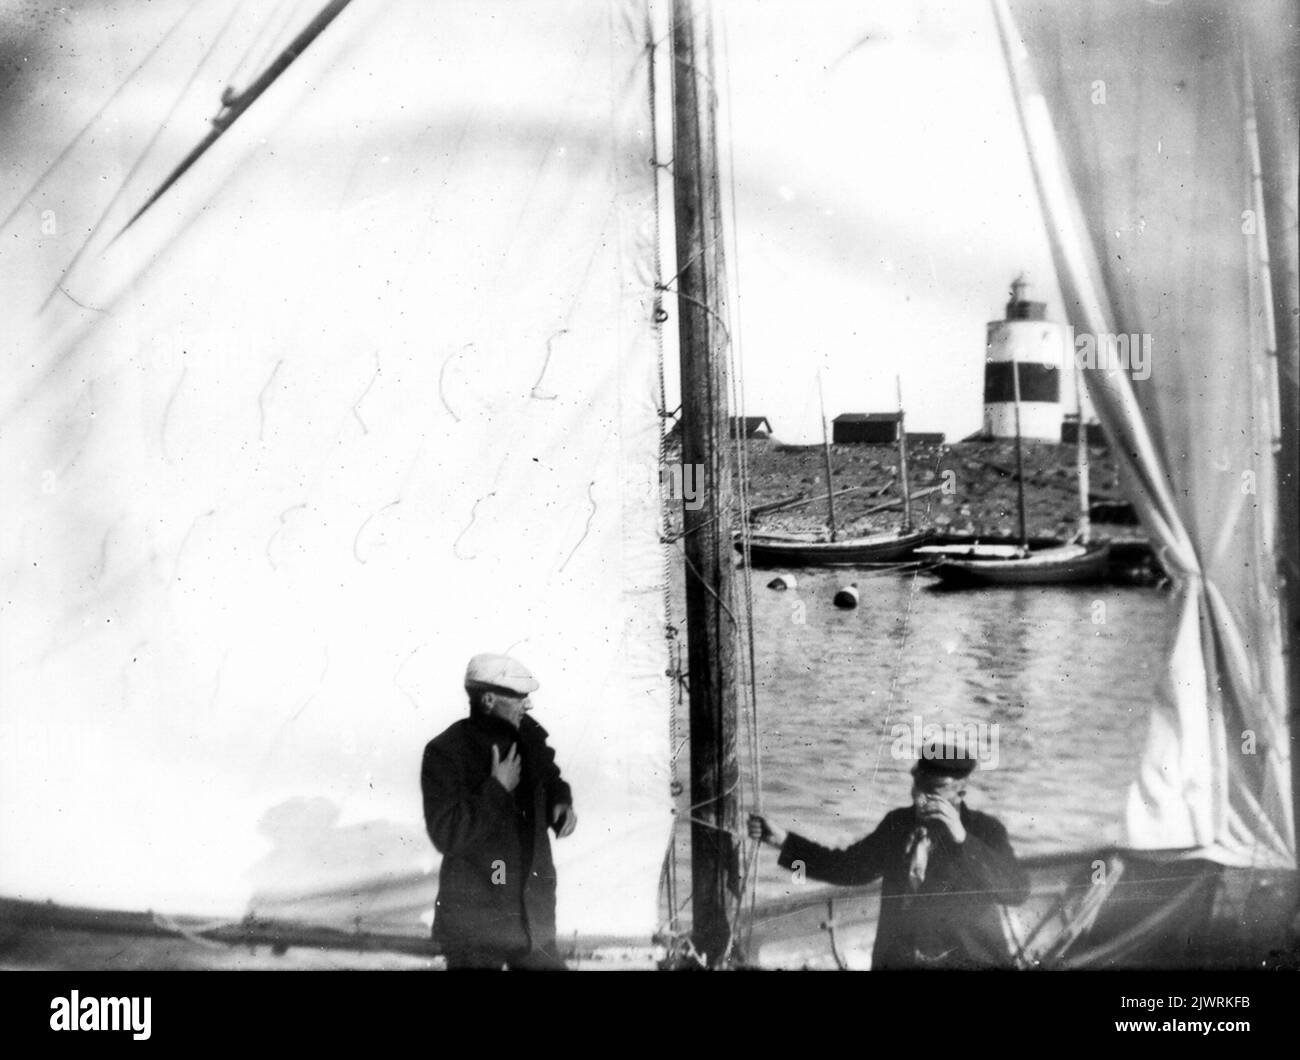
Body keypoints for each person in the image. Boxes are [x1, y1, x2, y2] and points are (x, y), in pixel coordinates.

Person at [748, 748, 1029, 969]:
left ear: (961, 793)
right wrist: (783, 842)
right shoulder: (898, 824)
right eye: (917, 785)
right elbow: (848, 868)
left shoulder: (984, 830)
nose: (920, 797)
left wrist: (962, 841)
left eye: (933, 790)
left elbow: (1016, 891)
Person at [421, 653, 577, 969]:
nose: (528, 704)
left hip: (532, 917)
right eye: (519, 696)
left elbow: (549, 776)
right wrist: (497, 788)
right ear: (489, 699)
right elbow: (446, 833)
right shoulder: (446, 751)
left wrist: (560, 802)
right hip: (477, 925)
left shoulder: (529, 737)